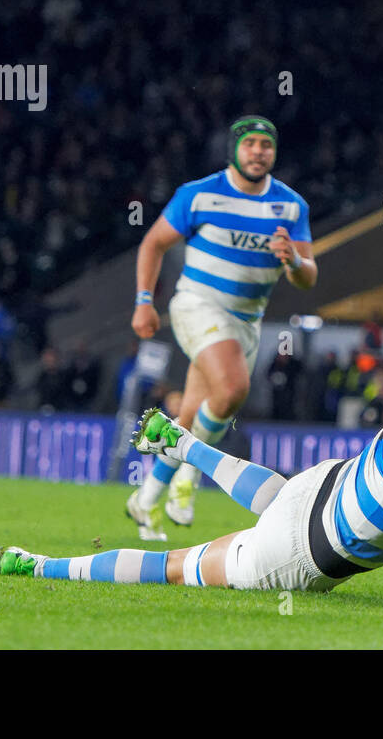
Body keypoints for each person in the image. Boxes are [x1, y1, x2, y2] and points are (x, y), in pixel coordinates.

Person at [0, 311, 383, 596]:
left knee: (278, 497)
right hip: (297, 550)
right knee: (175, 569)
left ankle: (184, 445)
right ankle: (41, 565)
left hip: (317, 489)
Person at [127, 116, 316, 538]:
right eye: (249, 144)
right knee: (232, 389)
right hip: (198, 306)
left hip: (247, 322)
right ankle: (189, 478)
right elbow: (153, 243)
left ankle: (144, 499)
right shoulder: (198, 195)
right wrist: (144, 301)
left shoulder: (290, 206)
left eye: (265, 145)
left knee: (195, 414)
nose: (258, 152)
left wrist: (294, 261)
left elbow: (308, 277)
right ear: (233, 149)